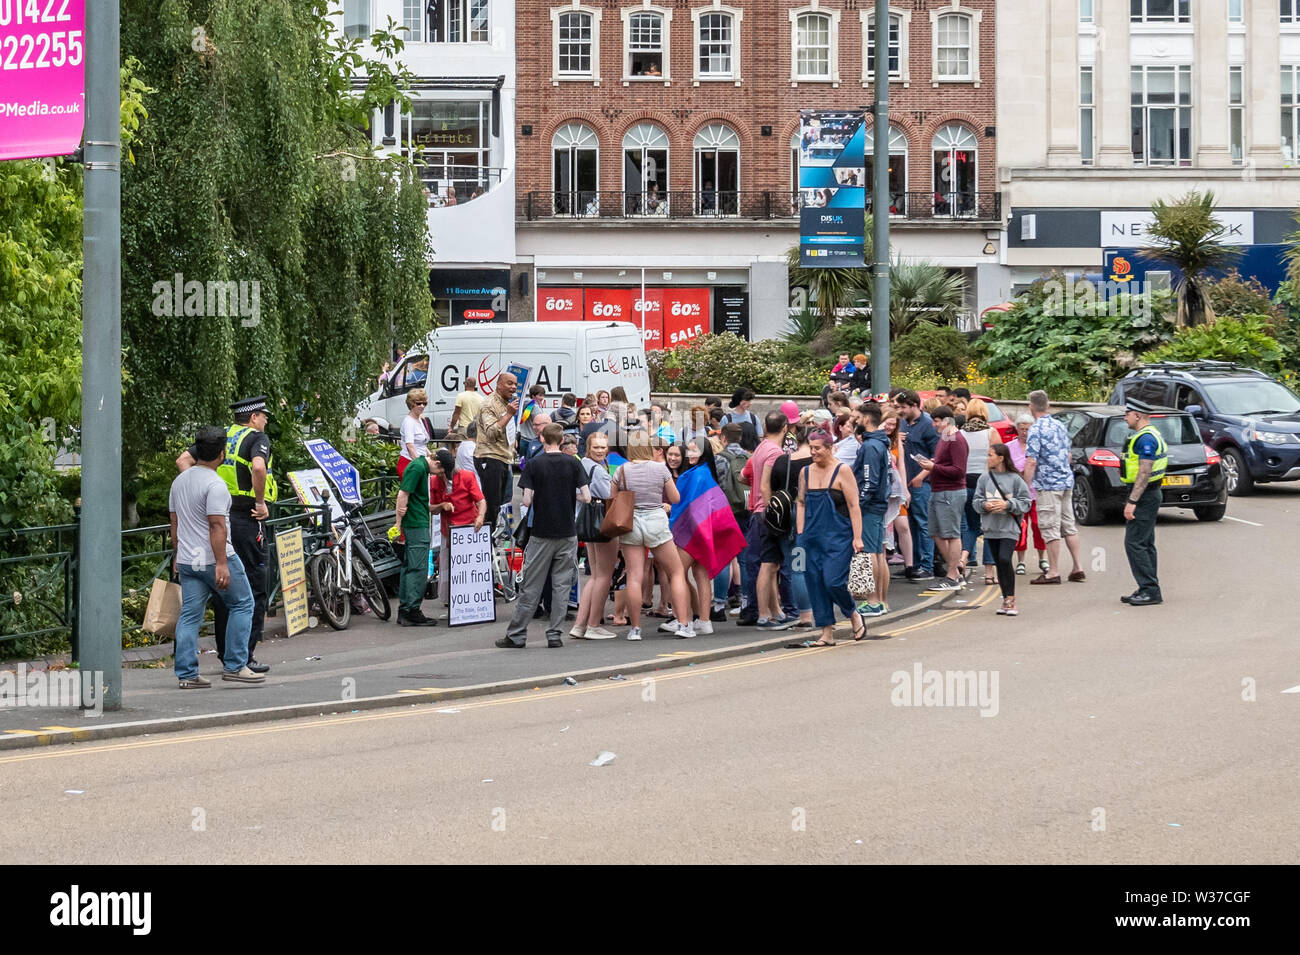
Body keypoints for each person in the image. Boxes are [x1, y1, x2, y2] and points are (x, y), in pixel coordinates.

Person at [175, 395, 277, 674]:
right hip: (246, 517)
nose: (265, 420)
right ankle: (244, 658)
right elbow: (258, 467)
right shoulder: (257, 438)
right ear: (254, 417)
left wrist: (203, 484)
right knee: (252, 591)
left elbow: (183, 460)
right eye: (264, 415)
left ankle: (224, 654)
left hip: (217, 514)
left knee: (223, 593)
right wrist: (259, 502)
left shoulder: (222, 438)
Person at [497, 423, 593, 648]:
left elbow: (527, 500)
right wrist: (568, 496)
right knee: (561, 586)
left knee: (532, 585)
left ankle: (517, 634)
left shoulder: (534, 464)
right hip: (567, 532)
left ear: (541, 439)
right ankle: (555, 635)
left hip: (541, 532)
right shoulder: (573, 463)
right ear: (561, 441)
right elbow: (587, 497)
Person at [612, 435, 695, 640]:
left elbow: (612, 497)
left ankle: (635, 629)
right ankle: (684, 624)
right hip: (656, 520)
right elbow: (675, 498)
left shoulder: (622, 470)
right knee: (676, 572)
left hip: (631, 522)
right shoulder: (660, 468)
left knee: (634, 576)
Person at [795, 431, 866, 646]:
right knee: (814, 583)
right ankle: (826, 633)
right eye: (811, 447)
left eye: (817, 448)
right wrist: (800, 534)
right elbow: (801, 503)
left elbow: (854, 505)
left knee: (833, 581)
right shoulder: (805, 472)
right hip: (810, 537)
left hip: (838, 536)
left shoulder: (842, 470)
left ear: (829, 447)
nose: (813, 452)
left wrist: (858, 537)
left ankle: (852, 613)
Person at [1023, 390, 1086, 584]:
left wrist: (1026, 486)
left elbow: (1032, 461)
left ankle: (1053, 571)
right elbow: (1068, 455)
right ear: (1047, 405)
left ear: (1031, 406)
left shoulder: (1035, 429)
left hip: (1048, 484)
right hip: (1066, 481)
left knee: (1050, 527)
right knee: (1069, 526)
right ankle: (1077, 567)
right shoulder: (1060, 425)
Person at [738, 412, 788, 627]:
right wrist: (772, 512)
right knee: (767, 566)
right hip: (765, 512)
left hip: (756, 511)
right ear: (785, 428)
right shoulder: (775, 452)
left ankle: (775, 611)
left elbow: (744, 476)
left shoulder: (760, 448)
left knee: (771, 565)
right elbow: (767, 485)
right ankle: (764, 614)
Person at [973, 443, 1033, 616]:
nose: (988, 458)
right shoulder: (984, 478)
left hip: (1009, 527)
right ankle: (1005, 599)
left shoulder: (1015, 479)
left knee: (1005, 558)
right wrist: (985, 505)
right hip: (991, 528)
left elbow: (1026, 502)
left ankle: (1011, 600)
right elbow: (976, 502)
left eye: (991, 455)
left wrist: (1007, 504)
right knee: (999, 563)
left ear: (1001, 458)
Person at [1119, 398, 1168, 606]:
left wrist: (1132, 501)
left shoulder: (1145, 439)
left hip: (1144, 495)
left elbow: (1144, 472)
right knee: (1145, 543)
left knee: (1135, 543)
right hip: (1149, 494)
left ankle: (1150, 590)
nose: (1125, 417)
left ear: (1137, 416)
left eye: (1128, 414)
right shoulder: (1149, 434)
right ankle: (1147, 587)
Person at [913, 406, 968, 592]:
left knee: (951, 534)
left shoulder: (957, 440)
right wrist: (925, 470)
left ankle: (952, 576)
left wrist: (933, 467)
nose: (934, 424)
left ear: (947, 421)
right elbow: (940, 461)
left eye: (936, 421)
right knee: (936, 533)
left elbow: (959, 471)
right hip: (939, 491)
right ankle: (956, 573)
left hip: (950, 492)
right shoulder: (946, 438)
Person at [571, 432, 619, 640]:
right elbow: (610, 495)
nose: (600, 450)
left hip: (586, 521)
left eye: (603, 447)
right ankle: (593, 625)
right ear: (589, 447)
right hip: (602, 522)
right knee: (604, 576)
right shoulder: (598, 470)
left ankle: (580, 625)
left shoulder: (583, 465)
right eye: (596, 447)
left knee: (595, 576)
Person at [766, 427, 814, 630]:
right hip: (815, 515)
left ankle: (803, 614)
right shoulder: (818, 463)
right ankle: (817, 612)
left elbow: (773, 487)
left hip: (790, 517)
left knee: (797, 567)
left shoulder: (783, 461)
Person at [429, 448, 486, 616]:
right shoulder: (434, 480)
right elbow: (432, 508)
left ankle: (474, 599)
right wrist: (442, 506)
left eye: (444, 473)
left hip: (469, 527)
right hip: (449, 529)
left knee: (469, 566)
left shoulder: (467, 476)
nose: (441, 475)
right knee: (448, 565)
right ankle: (451, 601)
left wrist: (480, 517)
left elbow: (481, 500)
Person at [853, 405, 892, 616]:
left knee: (868, 554)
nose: (855, 420)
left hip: (869, 506)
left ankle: (873, 601)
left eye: (858, 417)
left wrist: (857, 505)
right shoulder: (881, 444)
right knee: (877, 553)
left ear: (867, 419)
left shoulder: (869, 447)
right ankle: (881, 601)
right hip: (879, 505)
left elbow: (869, 481)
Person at [394, 442, 437, 627]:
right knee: (417, 568)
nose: (438, 475)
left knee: (410, 566)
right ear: (437, 463)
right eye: (440, 471)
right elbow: (402, 494)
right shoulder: (418, 468)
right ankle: (411, 610)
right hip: (416, 523)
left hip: (415, 522)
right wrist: (398, 523)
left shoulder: (419, 466)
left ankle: (406, 610)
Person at [897, 389, 938, 581]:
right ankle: (912, 564)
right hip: (905, 483)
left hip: (921, 483)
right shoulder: (903, 423)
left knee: (923, 523)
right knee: (909, 524)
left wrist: (922, 476)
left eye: (903, 407)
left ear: (914, 405)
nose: (900, 411)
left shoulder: (929, 425)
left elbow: (937, 456)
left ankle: (927, 565)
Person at [474, 370, 519, 532]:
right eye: (509, 383)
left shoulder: (507, 402)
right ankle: (487, 541)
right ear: (498, 385)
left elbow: (508, 429)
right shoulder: (489, 404)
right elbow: (492, 432)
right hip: (489, 457)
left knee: (503, 502)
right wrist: (509, 414)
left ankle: (498, 536)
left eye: (515, 384)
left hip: (504, 458)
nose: (513, 387)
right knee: (491, 505)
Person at [960, 398, 996, 585]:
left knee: (972, 526)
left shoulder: (959, 434)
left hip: (965, 483)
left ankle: (963, 558)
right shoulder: (991, 433)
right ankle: (989, 573)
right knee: (989, 528)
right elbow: (998, 460)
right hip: (986, 484)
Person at [1009, 413, 1048, 576]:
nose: (1024, 432)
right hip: (1018, 495)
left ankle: (1043, 558)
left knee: (1039, 526)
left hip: (1036, 493)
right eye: (1022, 429)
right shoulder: (1009, 446)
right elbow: (1005, 468)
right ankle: (1021, 561)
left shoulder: (1039, 446)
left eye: (1028, 429)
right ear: (1017, 429)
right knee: (1021, 528)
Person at [881, 411, 913, 573]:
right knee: (884, 528)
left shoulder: (895, 441)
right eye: (888, 423)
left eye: (894, 424)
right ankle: (883, 567)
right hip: (881, 491)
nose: (890, 427)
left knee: (903, 526)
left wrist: (905, 490)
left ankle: (909, 565)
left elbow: (901, 466)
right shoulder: (877, 439)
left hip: (895, 490)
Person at [398, 388, 431, 478]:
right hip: (410, 464)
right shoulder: (409, 422)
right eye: (418, 403)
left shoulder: (419, 419)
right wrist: (420, 464)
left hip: (419, 463)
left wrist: (431, 456)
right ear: (412, 404)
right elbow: (410, 447)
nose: (422, 406)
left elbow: (422, 445)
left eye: (424, 403)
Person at [723, 387, 761, 452]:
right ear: (739, 401)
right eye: (747, 400)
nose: (750, 403)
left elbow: (759, 438)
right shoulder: (726, 419)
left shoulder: (754, 418)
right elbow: (722, 440)